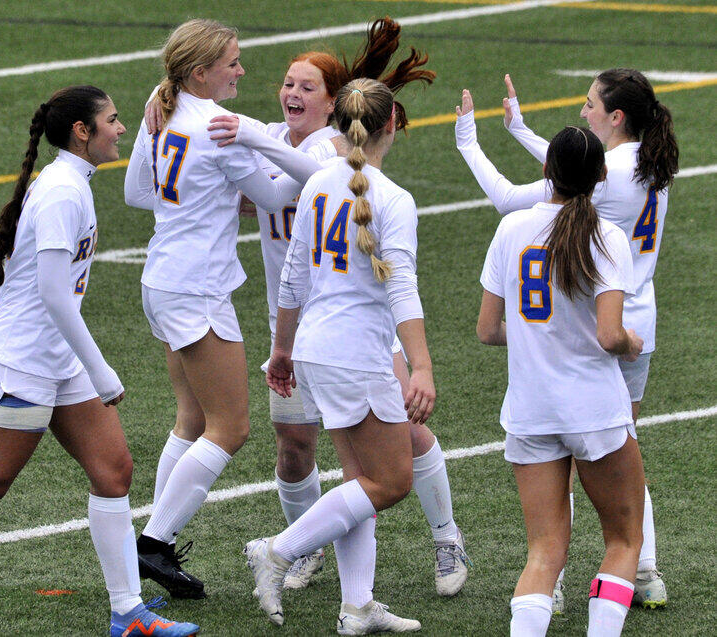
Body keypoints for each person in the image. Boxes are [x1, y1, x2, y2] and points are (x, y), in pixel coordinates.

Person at [0, 86, 199, 637]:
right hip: (24, 362)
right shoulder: (64, 191)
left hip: (55, 360)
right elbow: (52, 292)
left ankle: (129, 614)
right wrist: (100, 370)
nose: (121, 129)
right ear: (82, 132)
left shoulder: (72, 183)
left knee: (113, 471)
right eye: (112, 120)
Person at [176, 17, 468, 599]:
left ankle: (444, 537)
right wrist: (167, 109)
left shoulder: (326, 152)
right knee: (295, 451)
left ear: (334, 104)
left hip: (353, 332)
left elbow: (316, 177)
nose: (292, 93)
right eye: (288, 83)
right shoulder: (270, 137)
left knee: (403, 443)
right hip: (297, 330)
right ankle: (315, 557)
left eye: (307, 87)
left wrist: (252, 144)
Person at [455, 69, 677, 610]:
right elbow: (573, 168)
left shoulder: (607, 175)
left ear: (615, 116)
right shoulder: (648, 161)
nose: (583, 110)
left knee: (569, 457)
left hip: (592, 326)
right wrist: (521, 131)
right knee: (621, 449)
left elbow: (518, 194)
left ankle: (550, 580)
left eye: (590, 103)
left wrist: (469, 142)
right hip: (636, 319)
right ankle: (644, 571)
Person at [122, 18, 328, 600]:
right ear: (200, 73)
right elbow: (279, 195)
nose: (241, 71)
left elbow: (137, 193)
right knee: (230, 428)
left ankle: (156, 540)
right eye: (232, 63)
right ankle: (154, 544)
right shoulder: (220, 128)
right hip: (198, 289)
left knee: (191, 421)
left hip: (162, 280)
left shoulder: (162, 107)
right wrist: (268, 143)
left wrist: (206, 194)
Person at [245, 78, 434, 634]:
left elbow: (292, 277)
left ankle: (357, 606)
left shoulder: (318, 183)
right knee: (391, 481)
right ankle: (279, 550)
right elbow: (402, 288)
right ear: (391, 124)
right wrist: (421, 366)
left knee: (358, 480)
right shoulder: (393, 199)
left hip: (316, 350)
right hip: (356, 355)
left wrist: (282, 350)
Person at [476, 123, 646, 637]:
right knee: (623, 542)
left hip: (530, 411)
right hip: (594, 411)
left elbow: (487, 330)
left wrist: (538, 337)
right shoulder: (606, 236)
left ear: (547, 169)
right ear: (600, 176)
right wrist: (632, 343)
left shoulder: (511, 229)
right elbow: (610, 334)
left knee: (544, 553)